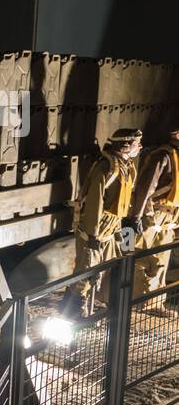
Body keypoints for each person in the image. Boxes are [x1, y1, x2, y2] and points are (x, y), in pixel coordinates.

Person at [62, 127, 142, 321]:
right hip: (98, 228)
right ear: (125, 146)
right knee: (87, 270)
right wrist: (92, 235)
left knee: (114, 266)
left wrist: (132, 221)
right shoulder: (105, 167)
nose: (139, 147)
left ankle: (104, 308)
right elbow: (94, 204)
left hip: (116, 226)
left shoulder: (128, 167)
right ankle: (73, 313)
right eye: (135, 143)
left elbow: (128, 198)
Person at [125, 125, 179, 316]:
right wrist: (136, 217)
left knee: (161, 259)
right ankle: (132, 301)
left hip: (168, 217)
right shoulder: (162, 157)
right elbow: (145, 188)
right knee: (141, 257)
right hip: (151, 215)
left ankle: (154, 302)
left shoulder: (175, 157)